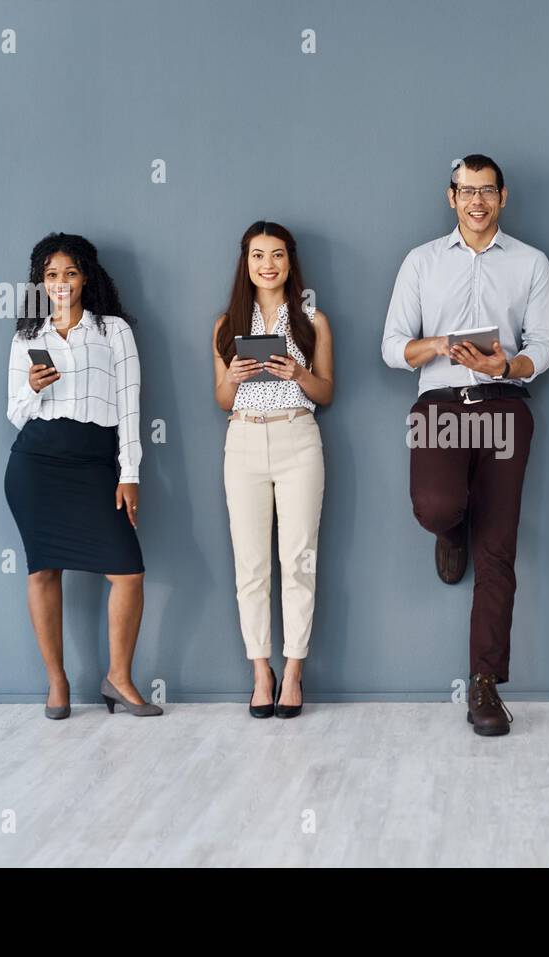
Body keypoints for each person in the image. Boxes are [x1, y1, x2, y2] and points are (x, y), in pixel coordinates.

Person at [381, 154, 549, 736]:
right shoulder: (421, 262)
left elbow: (545, 346)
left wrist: (511, 362)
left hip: (506, 404)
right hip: (439, 405)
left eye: (487, 191)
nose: (476, 201)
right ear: (449, 196)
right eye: (466, 191)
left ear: (503, 197)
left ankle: (484, 686)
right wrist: (439, 345)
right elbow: (391, 348)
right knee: (436, 505)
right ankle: (452, 528)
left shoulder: (531, 262)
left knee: (498, 551)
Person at [4, 232, 162, 719]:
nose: (61, 283)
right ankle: (57, 683)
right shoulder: (28, 338)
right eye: (51, 275)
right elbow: (14, 412)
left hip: (97, 464)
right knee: (42, 571)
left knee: (129, 573)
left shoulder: (113, 331)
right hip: (35, 465)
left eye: (69, 273)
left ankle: (118, 678)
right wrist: (33, 389)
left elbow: (130, 407)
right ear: (40, 282)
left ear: (85, 276)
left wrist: (129, 472)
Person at [213, 221, 334, 719]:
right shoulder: (226, 324)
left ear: (290, 261)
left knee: (299, 559)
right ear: (246, 261)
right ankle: (260, 671)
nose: (268, 264)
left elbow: (326, 392)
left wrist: (298, 373)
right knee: (251, 564)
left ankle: (293, 672)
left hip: (298, 437)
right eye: (259, 255)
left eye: (278, 255)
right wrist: (236, 376)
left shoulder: (312, 320)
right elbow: (220, 399)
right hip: (243, 437)